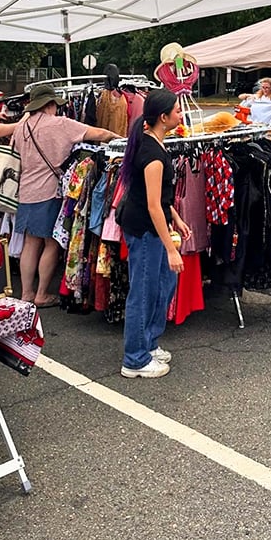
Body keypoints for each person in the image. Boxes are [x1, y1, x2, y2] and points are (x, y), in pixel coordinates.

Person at [13, 83, 120, 307]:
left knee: (30, 243)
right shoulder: (59, 124)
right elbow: (97, 133)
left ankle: (26, 293)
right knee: (51, 243)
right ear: (50, 105)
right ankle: (42, 294)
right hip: (49, 191)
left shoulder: (21, 128)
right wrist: (119, 139)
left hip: (25, 191)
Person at [117, 88, 191, 379]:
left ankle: (147, 343)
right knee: (144, 293)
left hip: (150, 226)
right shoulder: (153, 154)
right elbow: (151, 204)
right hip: (144, 229)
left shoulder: (153, 144)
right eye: (177, 111)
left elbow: (159, 197)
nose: (180, 115)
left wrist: (176, 218)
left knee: (162, 285)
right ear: (163, 117)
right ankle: (134, 358)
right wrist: (170, 248)